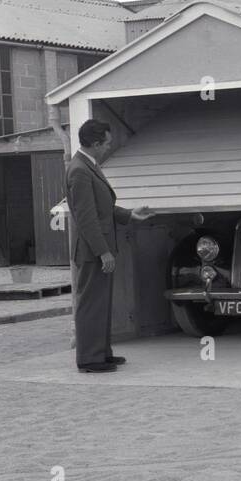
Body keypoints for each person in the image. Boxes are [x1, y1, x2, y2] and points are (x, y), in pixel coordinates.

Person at [65, 119, 153, 372]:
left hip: (98, 248)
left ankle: (101, 352)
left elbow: (101, 208)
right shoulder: (80, 171)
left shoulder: (87, 165)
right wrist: (103, 252)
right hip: (94, 251)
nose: (108, 147)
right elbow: (86, 218)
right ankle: (90, 359)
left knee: (100, 304)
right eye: (106, 143)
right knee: (92, 304)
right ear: (94, 144)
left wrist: (130, 214)